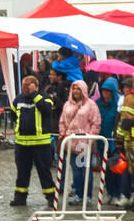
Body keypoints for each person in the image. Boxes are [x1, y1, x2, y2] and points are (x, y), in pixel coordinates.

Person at [10, 75, 56, 207]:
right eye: (23, 86)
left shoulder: (45, 97)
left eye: (27, 86)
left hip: (41, 144)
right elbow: (14, 116)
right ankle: (20, 198)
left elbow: (46, 110)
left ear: (35, 86)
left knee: (44, 172)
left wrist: (34, 94)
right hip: (22, 144)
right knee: (22, 172)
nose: (24, 89)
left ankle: (51, 197)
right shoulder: (18, 99)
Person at [57, 79, 101, 204]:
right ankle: (78, 194)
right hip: (70, 143)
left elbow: (96, 123)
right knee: (75, 172)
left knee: (85, 172)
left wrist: (89, 138)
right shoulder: (67, 104)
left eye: (78, 88)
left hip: (84, 143)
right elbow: (62, 121)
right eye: (74, 88)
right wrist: (63, 135)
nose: (76, 91)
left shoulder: (91, 105)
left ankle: (87, 196)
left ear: (83, 90)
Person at [115, 76, 134, 209]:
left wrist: (119, 138)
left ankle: (128, 199)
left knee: (129, 170)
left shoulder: (129, 98)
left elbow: (126, 120)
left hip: (131, 142)